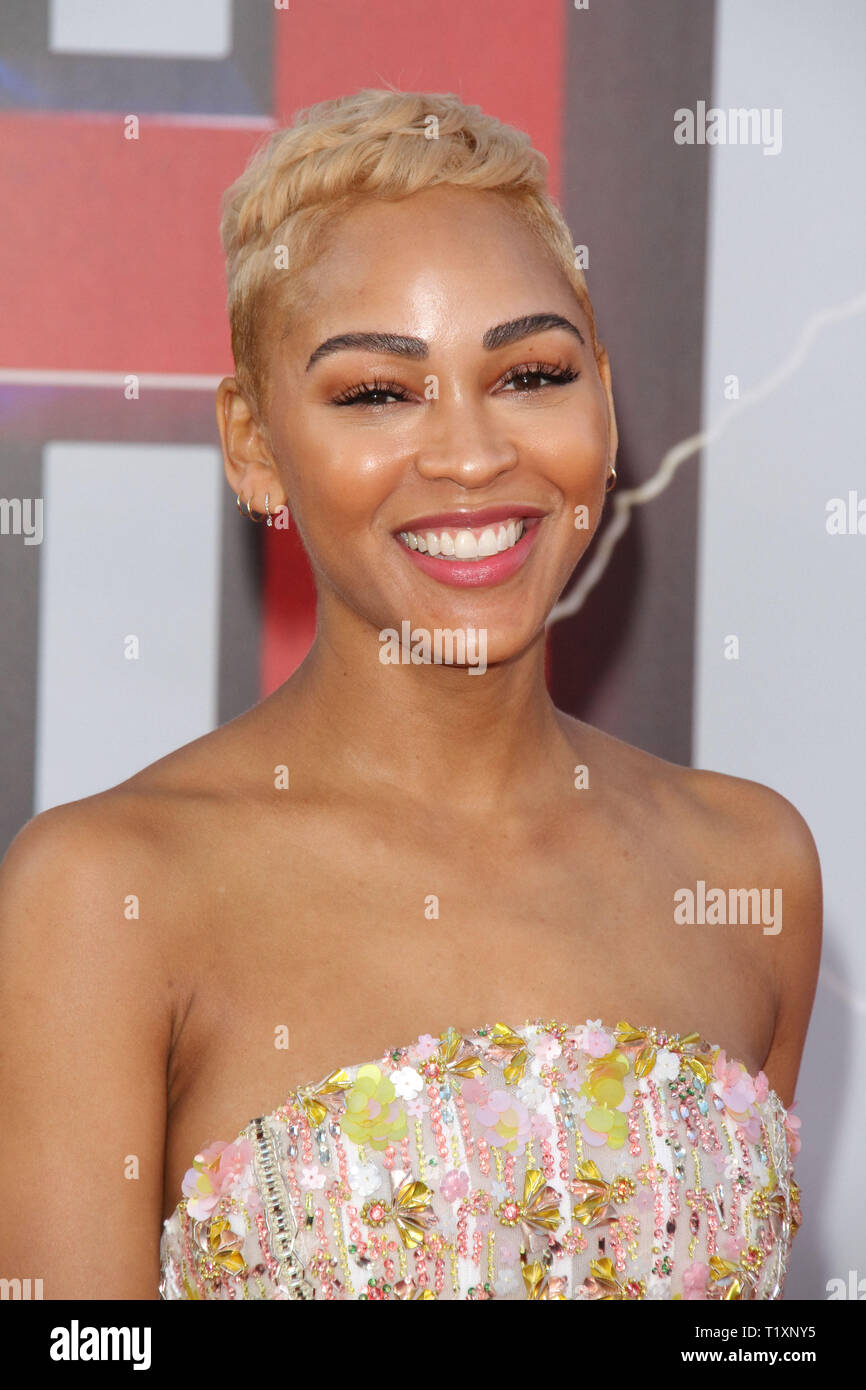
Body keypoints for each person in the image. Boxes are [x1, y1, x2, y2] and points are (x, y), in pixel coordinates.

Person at [0, 87, 820, 1301]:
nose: (473, 455)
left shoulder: (750, 864)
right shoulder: (106, 892)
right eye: (378, 393)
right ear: (254, 444)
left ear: (599, 389)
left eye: (529, 372)